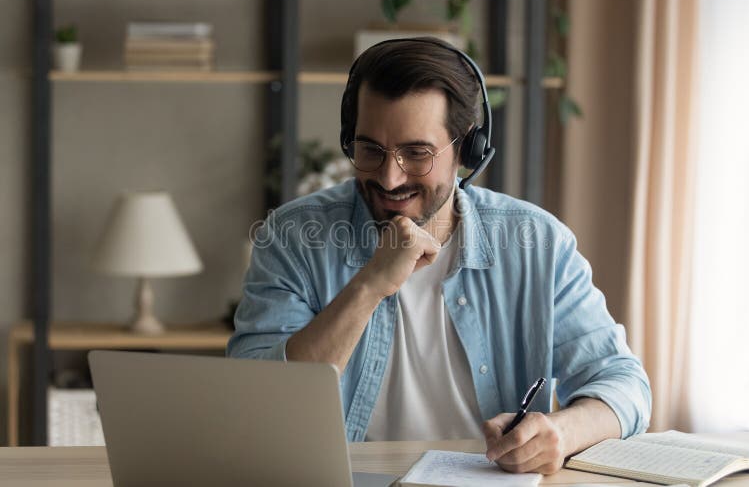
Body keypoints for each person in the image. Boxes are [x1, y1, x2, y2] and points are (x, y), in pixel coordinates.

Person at [227, 38, 651, 474]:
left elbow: (626, 387)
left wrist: (561, 433)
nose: (390, 178)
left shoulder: (538, 243)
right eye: (370, 150)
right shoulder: (294, 237)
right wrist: (370, 284)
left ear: (468, 151)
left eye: (416, 153)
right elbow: (256, 403)